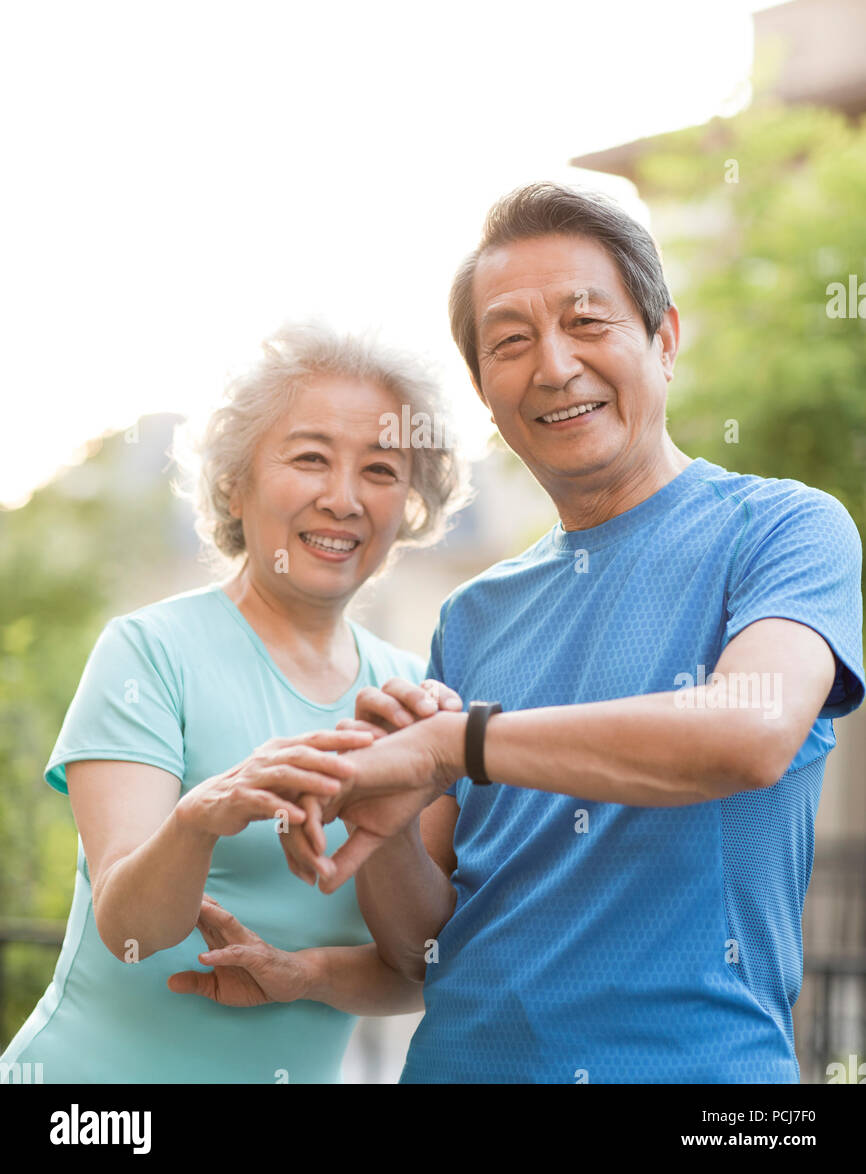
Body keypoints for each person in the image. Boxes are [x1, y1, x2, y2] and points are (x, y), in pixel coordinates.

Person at [196, 182, 864, 1085]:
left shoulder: (784, 529)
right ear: (484, 389)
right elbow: (421, 950)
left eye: (588, 322)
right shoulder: (473, 616)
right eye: (511, 341)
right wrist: (384, 823)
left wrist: (452, 747)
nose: (553, 366)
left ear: (663, 340)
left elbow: (748, 735)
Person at [0, 321, 467, 1083]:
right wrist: (199, 818)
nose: (343, 498)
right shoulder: (148, 652)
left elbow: (419, 963)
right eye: (310, 457)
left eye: (381, 470)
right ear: (234, 482)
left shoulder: (414, 698)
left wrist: (309, 970)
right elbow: (132, 930)